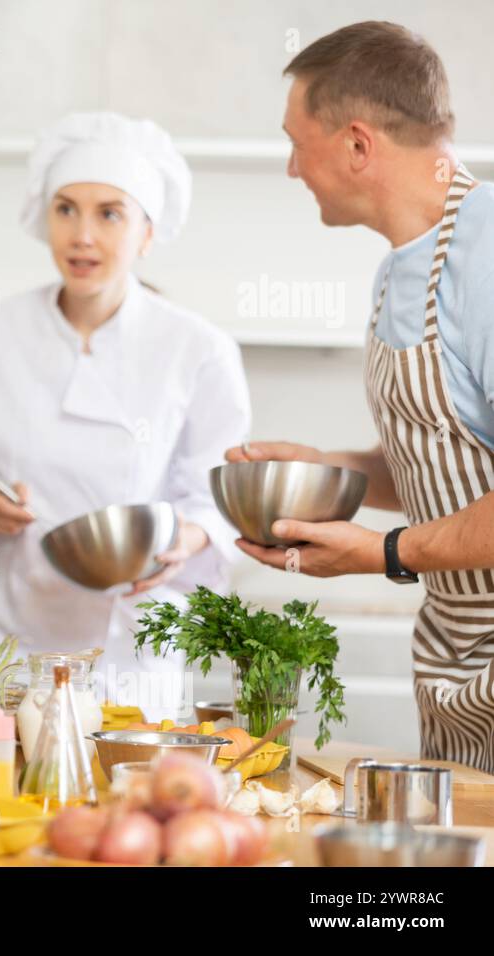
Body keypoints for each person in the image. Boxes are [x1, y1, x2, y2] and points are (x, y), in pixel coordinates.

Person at [0, 112, 251, 720]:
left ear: (148, 233)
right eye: (66, 209)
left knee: (120, 789)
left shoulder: (196, 349)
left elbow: (223, 491)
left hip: (127, 636)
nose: (82, 236)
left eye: (110, 213)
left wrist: (188, 539)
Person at [231, 22, 494, 771]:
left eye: (296, 141)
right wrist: (327, 473)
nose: (290, 168)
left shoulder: (490, 252)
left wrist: (382, 553)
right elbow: (449, 454)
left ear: (355, 145)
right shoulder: (399, 268)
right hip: (455, 655)